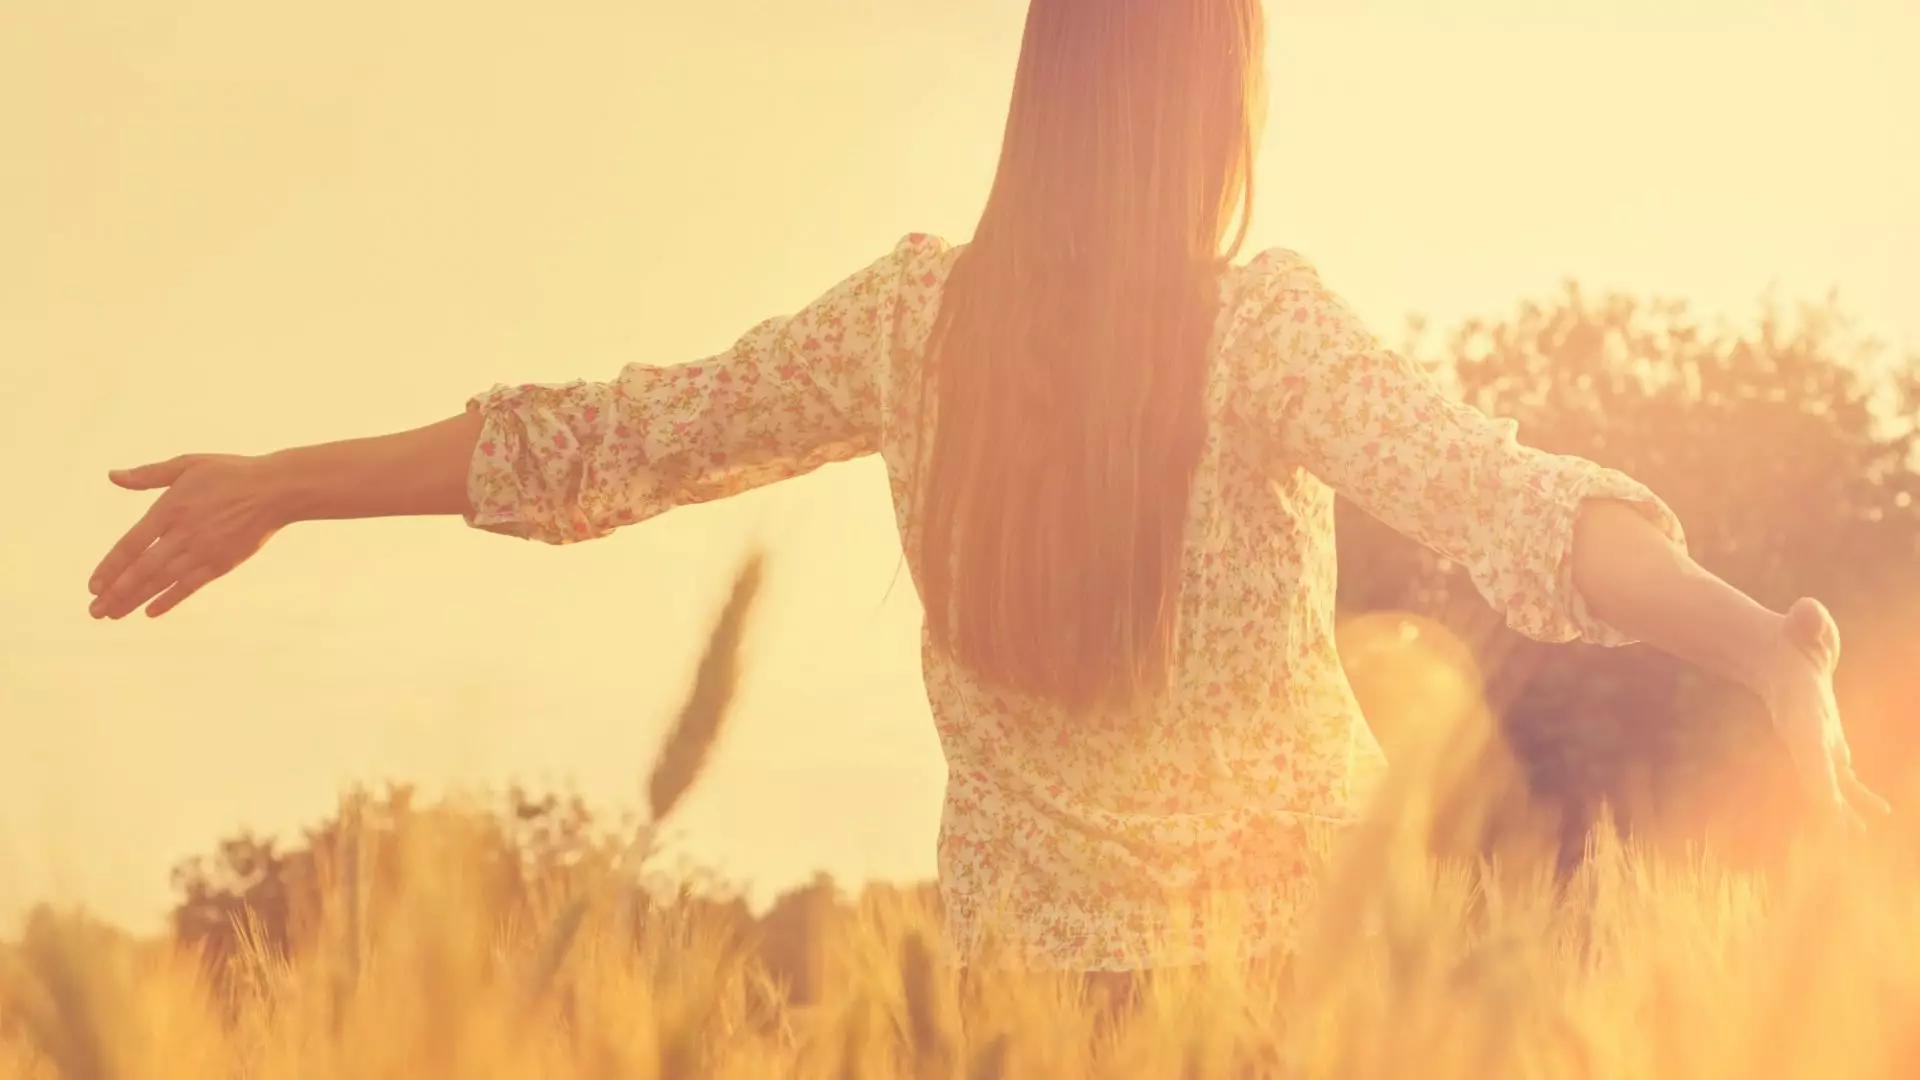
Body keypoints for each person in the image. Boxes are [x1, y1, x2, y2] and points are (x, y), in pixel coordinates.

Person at [86, 0, 1883, 982]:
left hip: (1040, 1027)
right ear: (1218, 100)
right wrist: (1761, 651)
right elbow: (1519, 506)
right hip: (1313, 1009)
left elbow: (601, 442)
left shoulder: (907, 330)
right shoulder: (1258, 333)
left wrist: (287, 483)